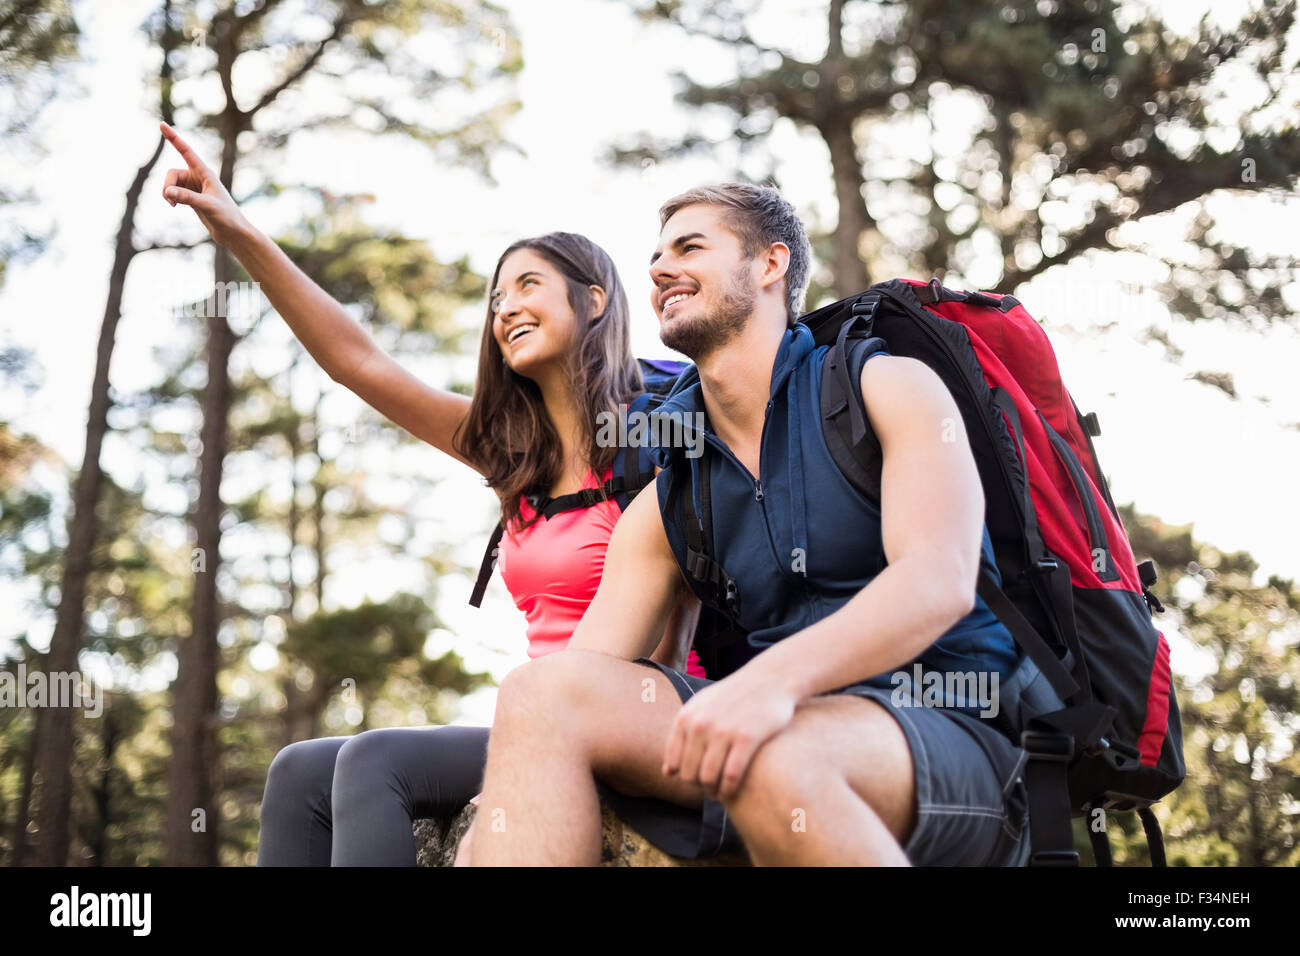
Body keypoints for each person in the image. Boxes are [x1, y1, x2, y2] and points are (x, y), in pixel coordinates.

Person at [156, 122, 704, 866]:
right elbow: (359, 363)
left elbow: (674, 631)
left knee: (378, 760)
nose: (505, 306)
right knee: (299, 771)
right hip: (537, 714)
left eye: (529, 285)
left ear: (596, 300)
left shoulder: (658, 437)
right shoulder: (514, 452)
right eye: (495, 296)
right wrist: (235, 226)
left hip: (638, 713)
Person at [466, 182, 1032, 866]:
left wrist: (767, 685)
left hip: (951, 731)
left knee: (772, 757)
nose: (658, 269)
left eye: (690, 247)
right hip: (781, 722)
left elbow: (938, 581)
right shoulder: (676, 486)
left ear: (771, 265)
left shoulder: (883, 386)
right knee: (541, 692)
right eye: (655, 257)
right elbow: (588, 671)